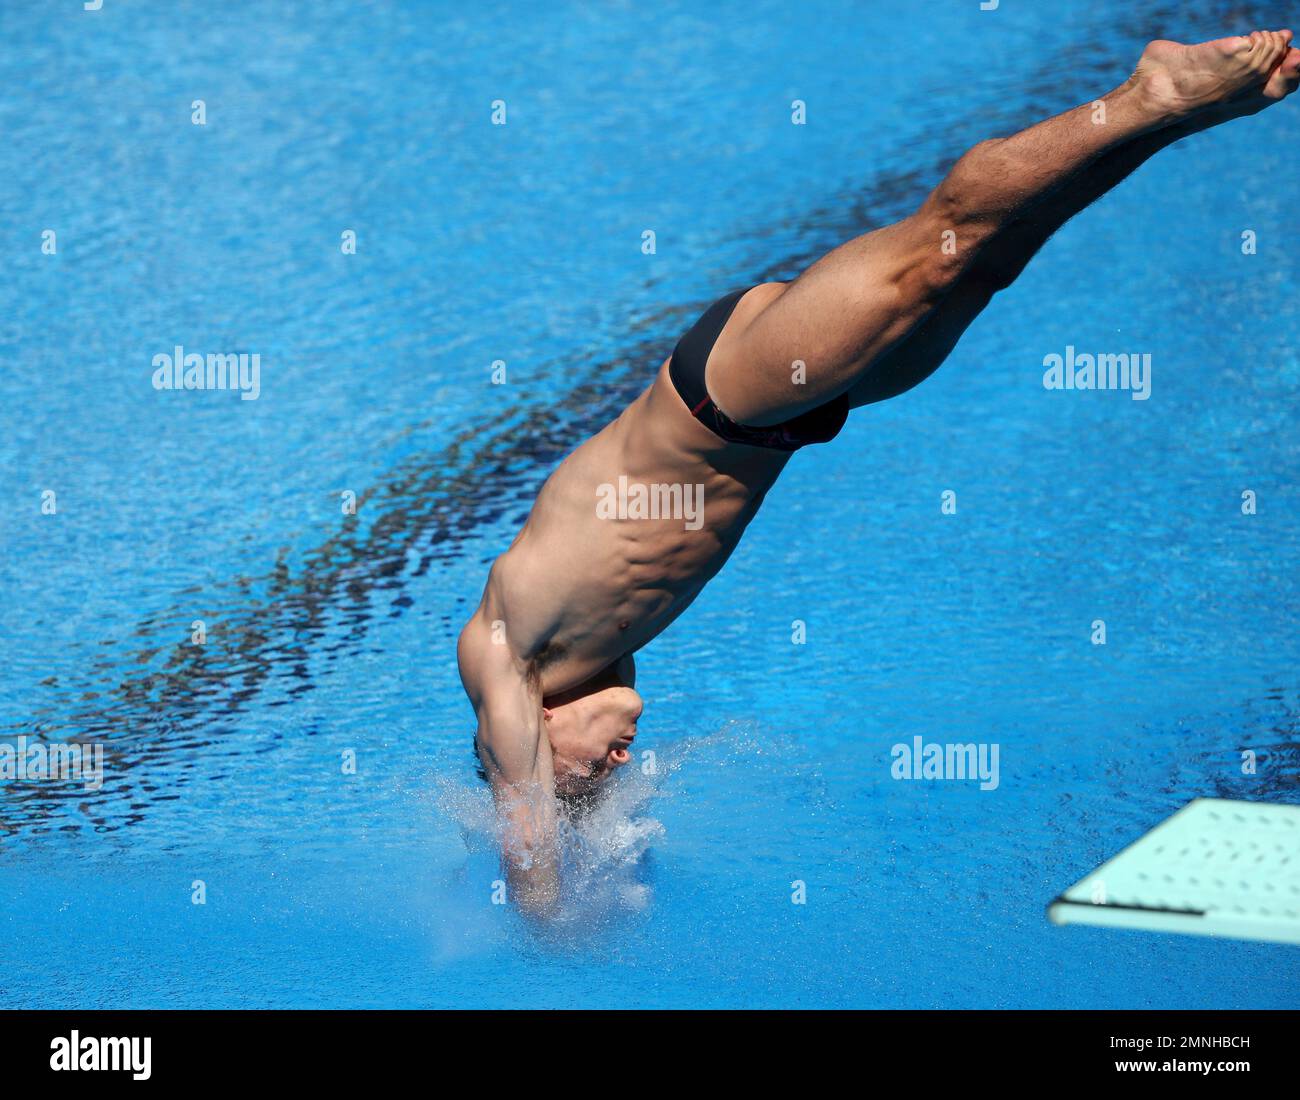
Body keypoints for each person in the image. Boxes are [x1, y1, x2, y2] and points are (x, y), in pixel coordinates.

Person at [457, 31, 1300, 910]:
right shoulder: (595, 667)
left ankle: (1147, 92)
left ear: (537, 736)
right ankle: (1174, 118)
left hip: (727, 394)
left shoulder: (506, 655)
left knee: (944, 239)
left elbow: (524, 832)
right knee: (988, 265)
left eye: (590, 775)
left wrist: (552, 950)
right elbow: (564, 797)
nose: (621, 766)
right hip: (795, 419)